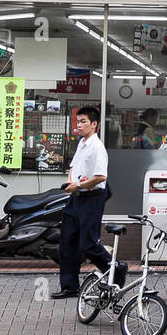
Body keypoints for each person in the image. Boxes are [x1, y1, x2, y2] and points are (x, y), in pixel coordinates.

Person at [51, 107, 114, 300]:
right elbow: (73, 167)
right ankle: (70, 286)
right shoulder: (81, 143)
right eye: (78, 122)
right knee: (67, 242)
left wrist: (78, 186)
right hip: (76, 197)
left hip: (92, 197)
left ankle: (115, 269)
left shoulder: (97, 147)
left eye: (83, 121)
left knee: (87, 243)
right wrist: (71, 181)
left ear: (94, 124)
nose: (79, 125)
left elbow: (101, 176)